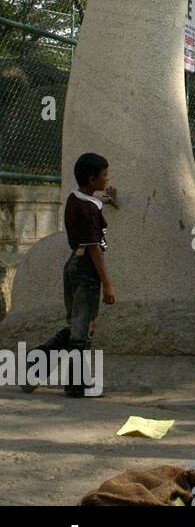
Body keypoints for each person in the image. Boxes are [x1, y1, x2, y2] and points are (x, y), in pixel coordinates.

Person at [23, 152, 118, 398]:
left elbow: (91, 203)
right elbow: (95, 248)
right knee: (82, 332)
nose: (107, 179)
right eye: (104, 175)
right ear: (91, 178)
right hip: (87, 269)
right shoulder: (87, 209)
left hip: (72, 266)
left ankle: (37, 365)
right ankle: (76, 385)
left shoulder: (76, 199)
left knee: (75, 326)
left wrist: (105, 200)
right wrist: (107, 283)